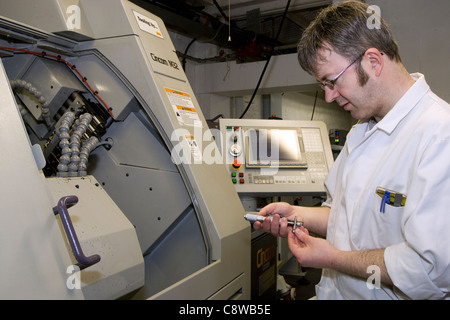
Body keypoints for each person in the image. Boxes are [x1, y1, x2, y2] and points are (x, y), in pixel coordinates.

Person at [253, 1, 450, 299]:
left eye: (333, 81)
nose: (330, 97)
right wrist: (297, 214)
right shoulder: (361, 132)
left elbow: (430, 269)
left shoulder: (438, 135)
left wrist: (331, 258)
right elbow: (342, 215)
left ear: (373, 61)